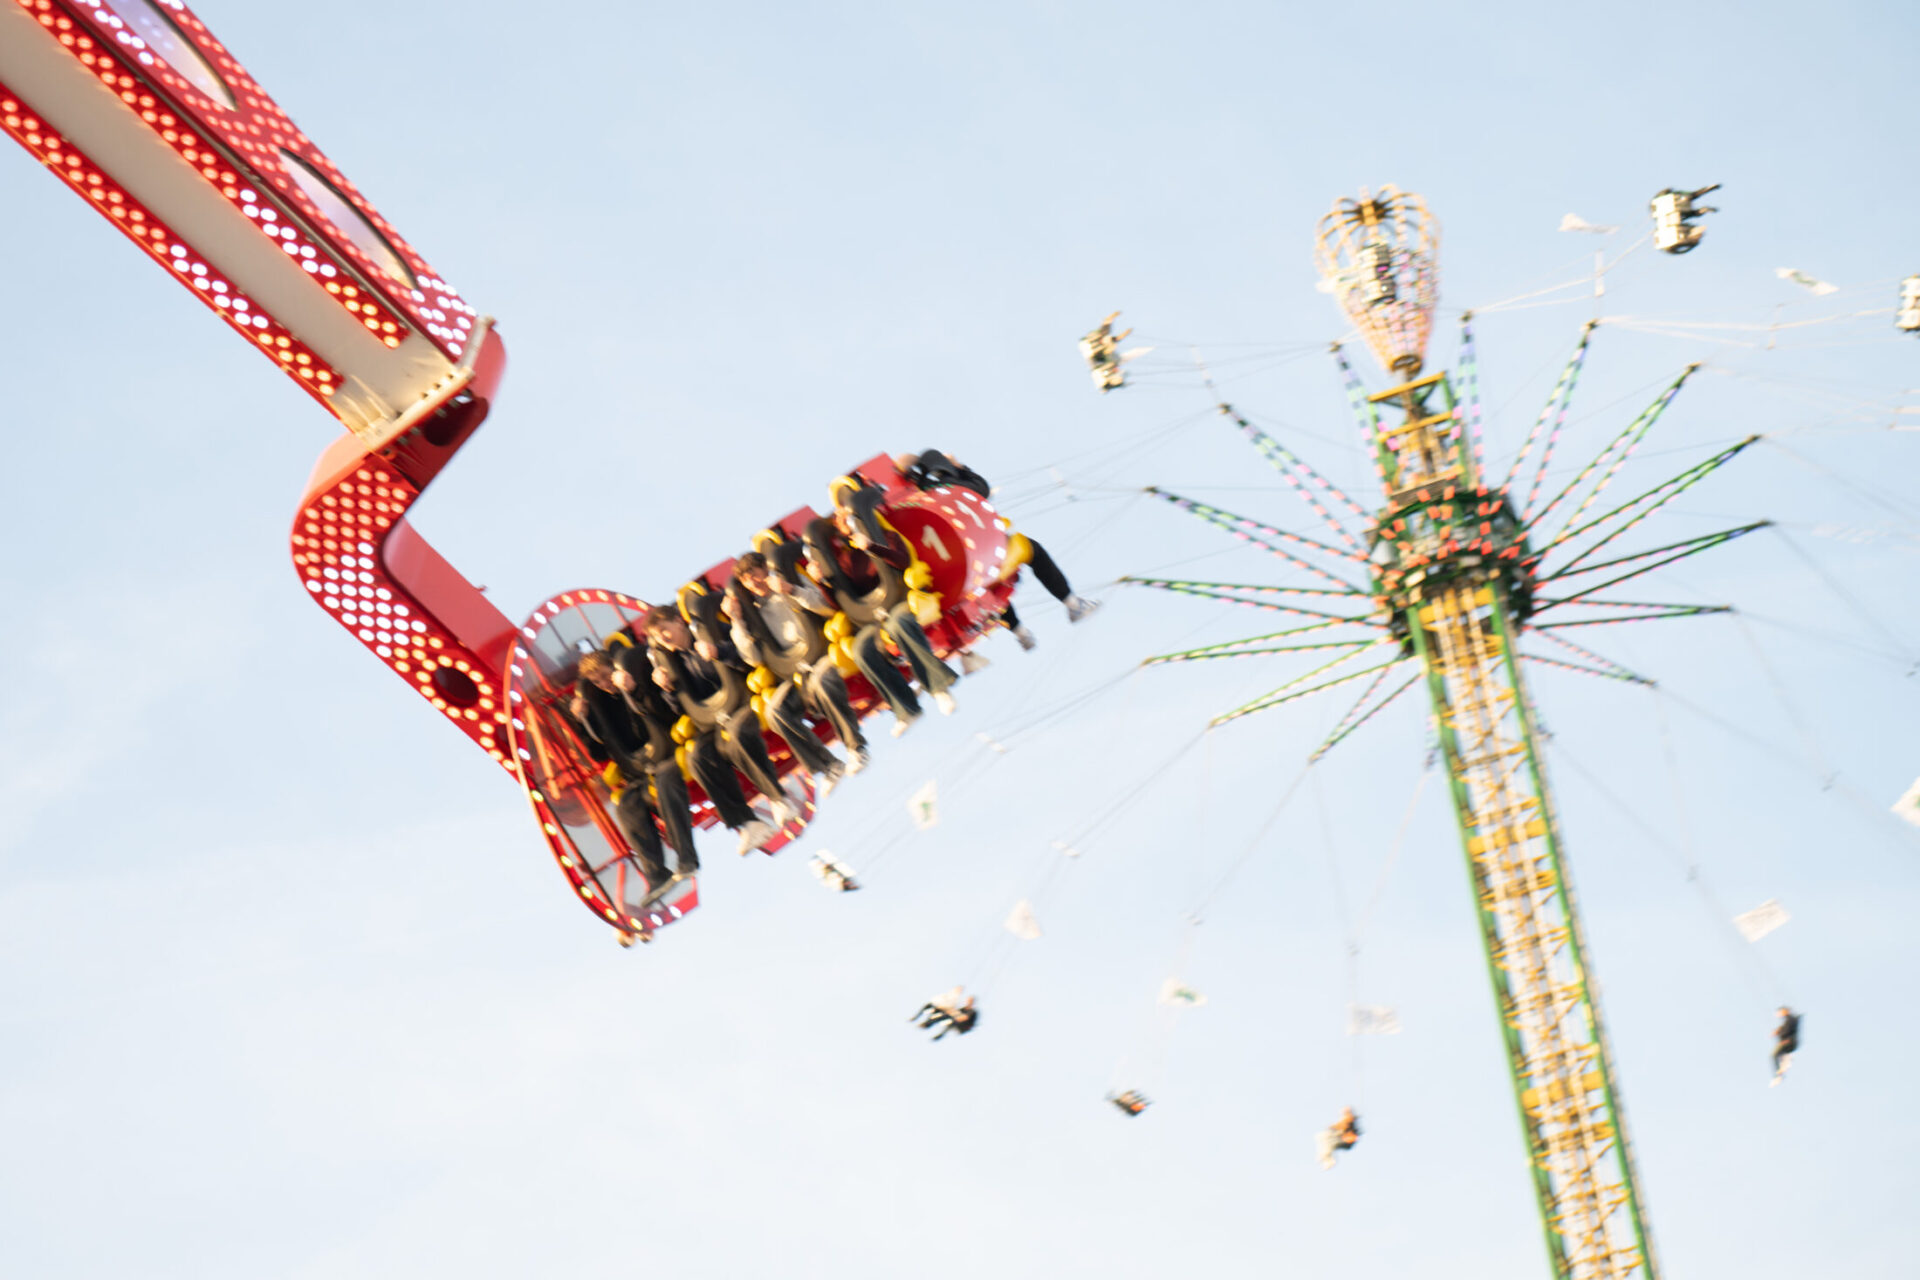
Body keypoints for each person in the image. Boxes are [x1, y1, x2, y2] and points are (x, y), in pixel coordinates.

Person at [895, 448, 1100, 650]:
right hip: (977, 555)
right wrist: (957, 467)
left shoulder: (907, 506)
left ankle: (1022, 631)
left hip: (957, 576)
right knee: (1025, 551)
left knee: (986, 583)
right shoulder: (940, 489)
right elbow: (980, 488)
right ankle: (1070, 605)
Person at [644, 600, 793, 856]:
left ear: (679, 622)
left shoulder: (711, 631)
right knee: (698, 757)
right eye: (657, 637)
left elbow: (746, 658)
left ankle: (778, 797)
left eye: (664, 630)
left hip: (743, 699)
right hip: (713, 718)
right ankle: (746, 823)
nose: (663, 639)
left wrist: (718, 652)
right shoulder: (675, 661)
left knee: (737, 736)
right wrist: (668, 689)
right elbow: (682, 708)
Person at [807, 482, 958, 731]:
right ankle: (906, 709)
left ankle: (939, 688)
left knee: (900, 623)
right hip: (873, 615)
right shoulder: (844, 559)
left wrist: (871, 547)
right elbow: (842, 601)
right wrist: (823, 581)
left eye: (845, 515)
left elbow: (901, 559)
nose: (841, 520)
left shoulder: (881, 535)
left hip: (900, 600)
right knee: (862, 649)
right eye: (837, 518)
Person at [728, 544, 867, 788]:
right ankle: (828, 766)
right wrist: (737, 621)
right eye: (748, 582)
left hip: (820, 655)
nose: (754, 584)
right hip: (793, 675)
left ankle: (856, 747)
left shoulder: (791, 582)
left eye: (756, 575)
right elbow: (752, 658)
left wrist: (792, 590)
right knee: (774, 713)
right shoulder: (754, 613)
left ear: (766, 570)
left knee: (822, 682)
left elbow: (824, 605)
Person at [571, 648, 699, 894]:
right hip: (640, 768)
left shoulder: (640, 679)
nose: (604, 683)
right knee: (627, 804)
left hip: (669, 752)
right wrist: (583, 722)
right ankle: (656, 875)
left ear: (614, 668)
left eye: (606, 675)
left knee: (665, 783)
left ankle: (686, 859)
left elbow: (664, 710)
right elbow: (599, 752)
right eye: (597, 681)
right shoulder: (603, 706)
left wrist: (633, 690)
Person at [910, 987, 978, 1041]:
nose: (967, 1002)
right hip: (956, 1020)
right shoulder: (962, 1009)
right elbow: (953, 1012)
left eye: (970, 1001)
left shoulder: (972, 1011)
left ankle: (940, 1035)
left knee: (953, 1020)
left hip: (963, 1025)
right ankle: (927, 1023)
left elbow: (964, 1018)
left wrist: (955, 1014)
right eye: (968, 1000)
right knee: (944, 1015)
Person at [1772, 1006, 1801, 1085]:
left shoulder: (1790, 1019)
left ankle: (1779, 1074)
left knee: (1774, 1055)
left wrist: (1779, 1032)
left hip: (1789, 1042)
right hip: (1790, 1044)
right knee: (1778, 1055)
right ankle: (1782, 1067)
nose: (1780, 1014)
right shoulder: (1789, 1020)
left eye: (1781, 1012)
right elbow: (1785, 1029)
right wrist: (1778, 1031)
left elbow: (1786, 1030)